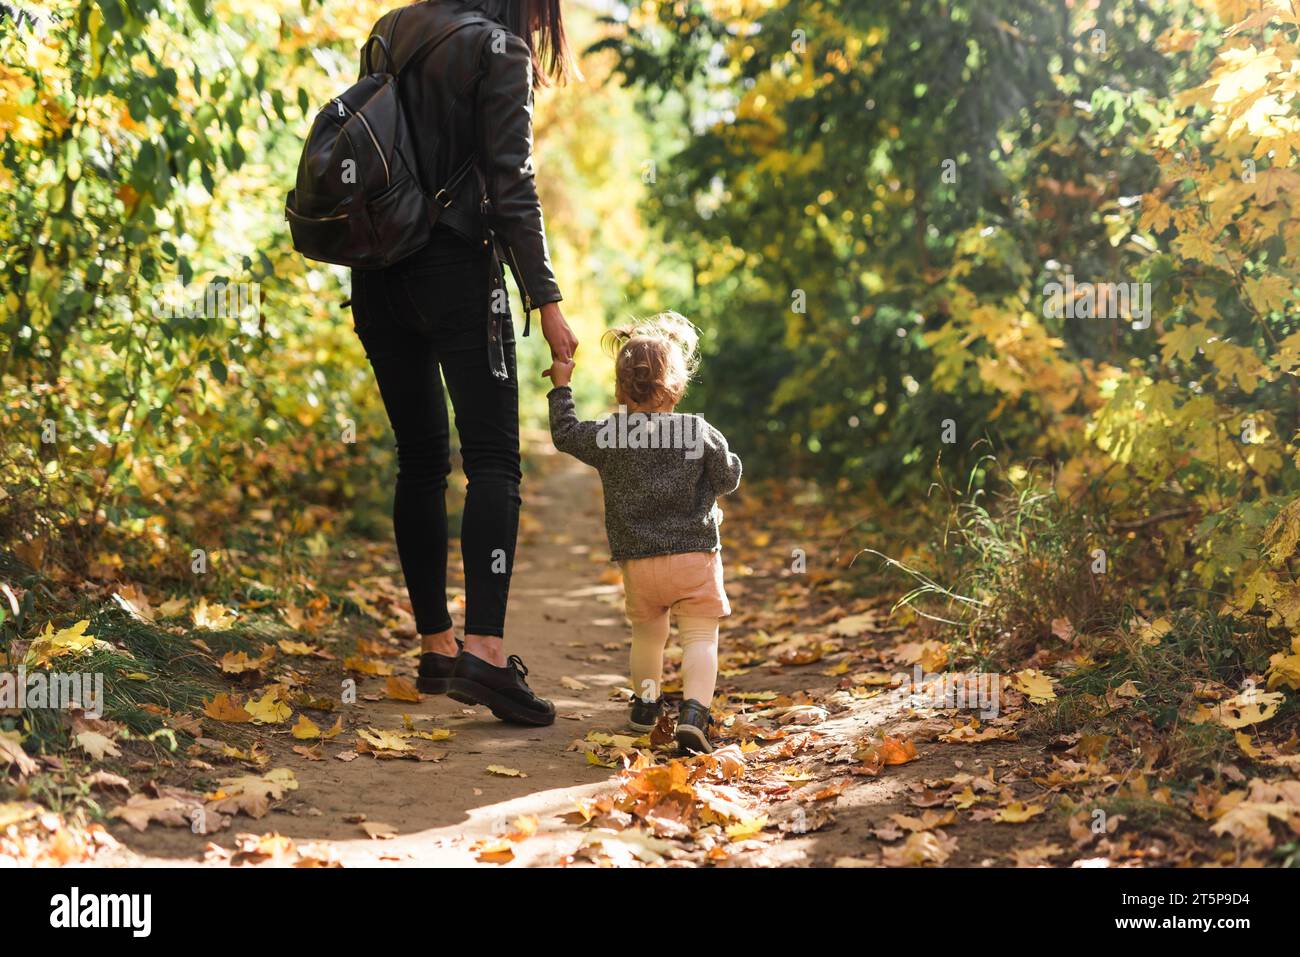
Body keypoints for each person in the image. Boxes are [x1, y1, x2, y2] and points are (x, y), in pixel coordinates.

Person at [349, 0, 579, 726]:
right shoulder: (499, 51)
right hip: (456, 273)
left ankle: (437, 644)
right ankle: (483, 648)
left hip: (376, 271)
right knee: (493, 463)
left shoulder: (389, 29)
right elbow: (513, 187)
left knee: (418, 460)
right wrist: (547, 300)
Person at [546, 313, 743, 752]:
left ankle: (646, 707)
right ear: (676, 385)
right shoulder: (696, 430)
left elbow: (565, 434)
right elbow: (727, 478)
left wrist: (561, 384)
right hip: (695, 556)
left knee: (649, 635)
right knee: (700, 637)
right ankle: (694, 714)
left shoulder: (612, 434)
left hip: (639, 562)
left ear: (620, 388)